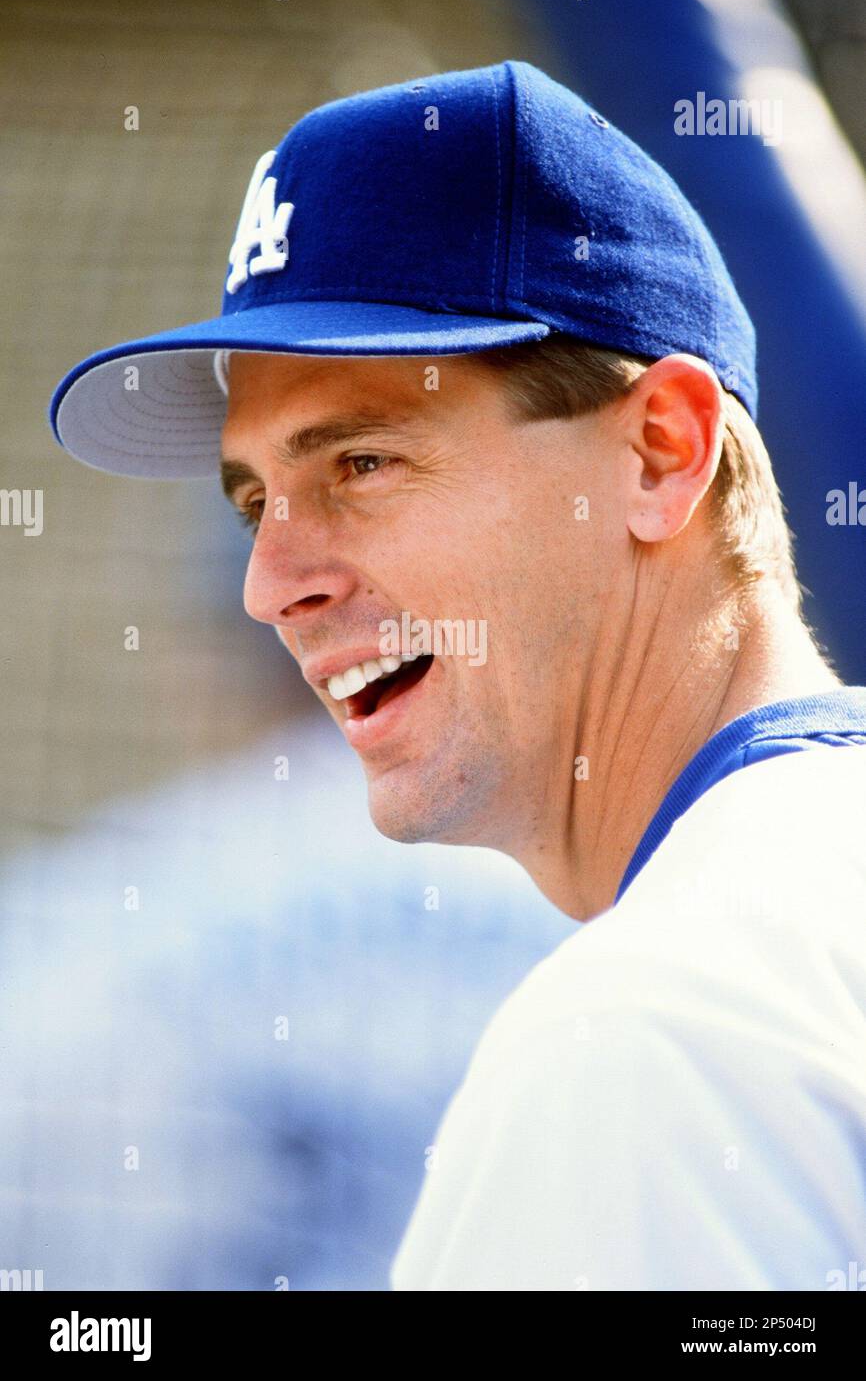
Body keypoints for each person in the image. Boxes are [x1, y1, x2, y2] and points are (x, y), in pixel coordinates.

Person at [50, 62, 866, 1291]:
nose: (268, 587)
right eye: (255, 500)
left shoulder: (646, 1039)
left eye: (364, 464)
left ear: (660, 452)